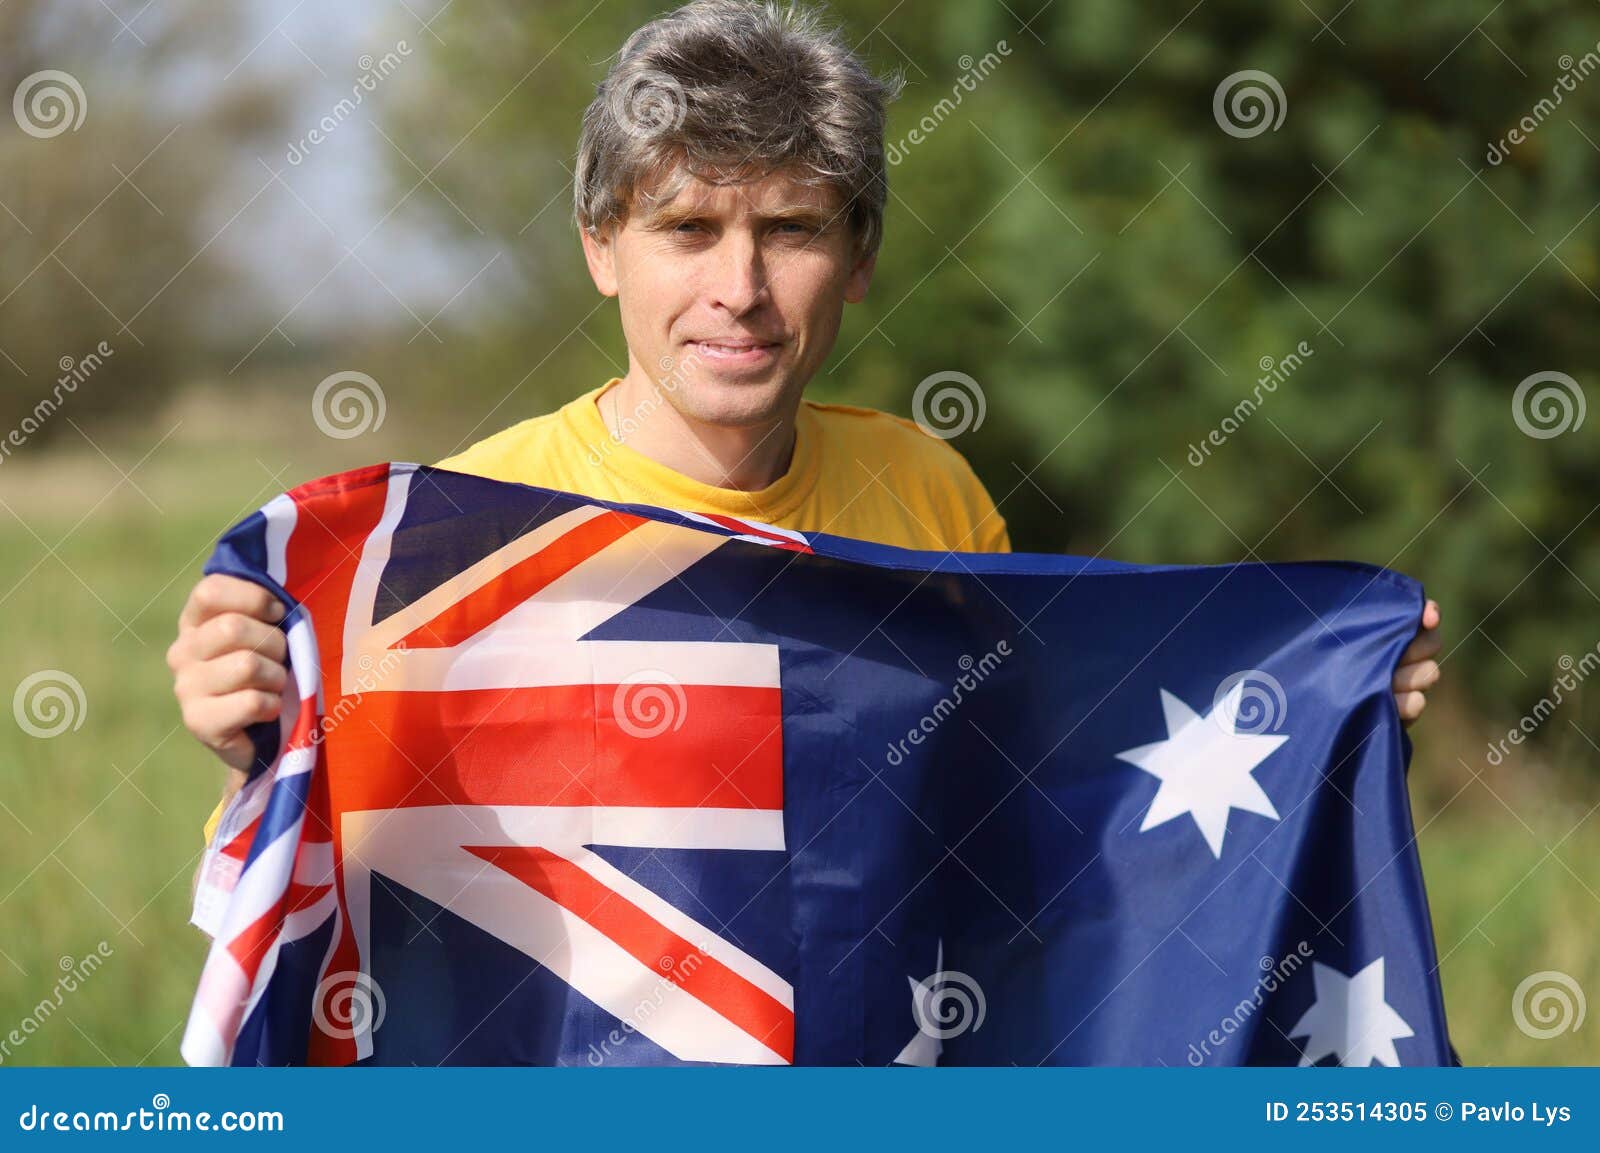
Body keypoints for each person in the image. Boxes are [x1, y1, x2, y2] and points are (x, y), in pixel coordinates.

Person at [168, 0, 1442, 860]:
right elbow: (359, 891)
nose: (738, 287)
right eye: (686, 230)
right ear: (600, 247)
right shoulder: (452, 536)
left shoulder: (929, 495)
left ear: (860, 257)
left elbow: (1034, 816)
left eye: (790, 230)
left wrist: (1310, 697)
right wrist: (255, 744)